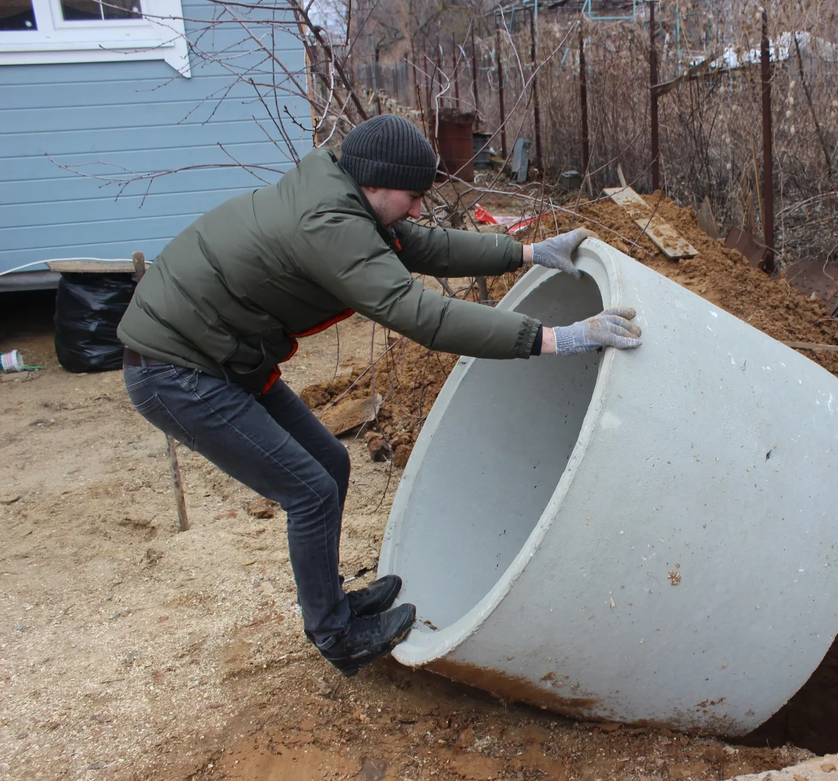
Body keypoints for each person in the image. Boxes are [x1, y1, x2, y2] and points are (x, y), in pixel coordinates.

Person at [117, 114, 642, 677]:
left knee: (329, 462)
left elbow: (424, 245)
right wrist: (556, 338)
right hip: (178, 372)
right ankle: (334, 634)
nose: (419, 208)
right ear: (375, 182)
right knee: (310, 490)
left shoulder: (341, 197)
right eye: (413, 195)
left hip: (219, 359)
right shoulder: (328, 224)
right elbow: (418, 314)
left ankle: (332, 602)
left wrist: (531, 253)